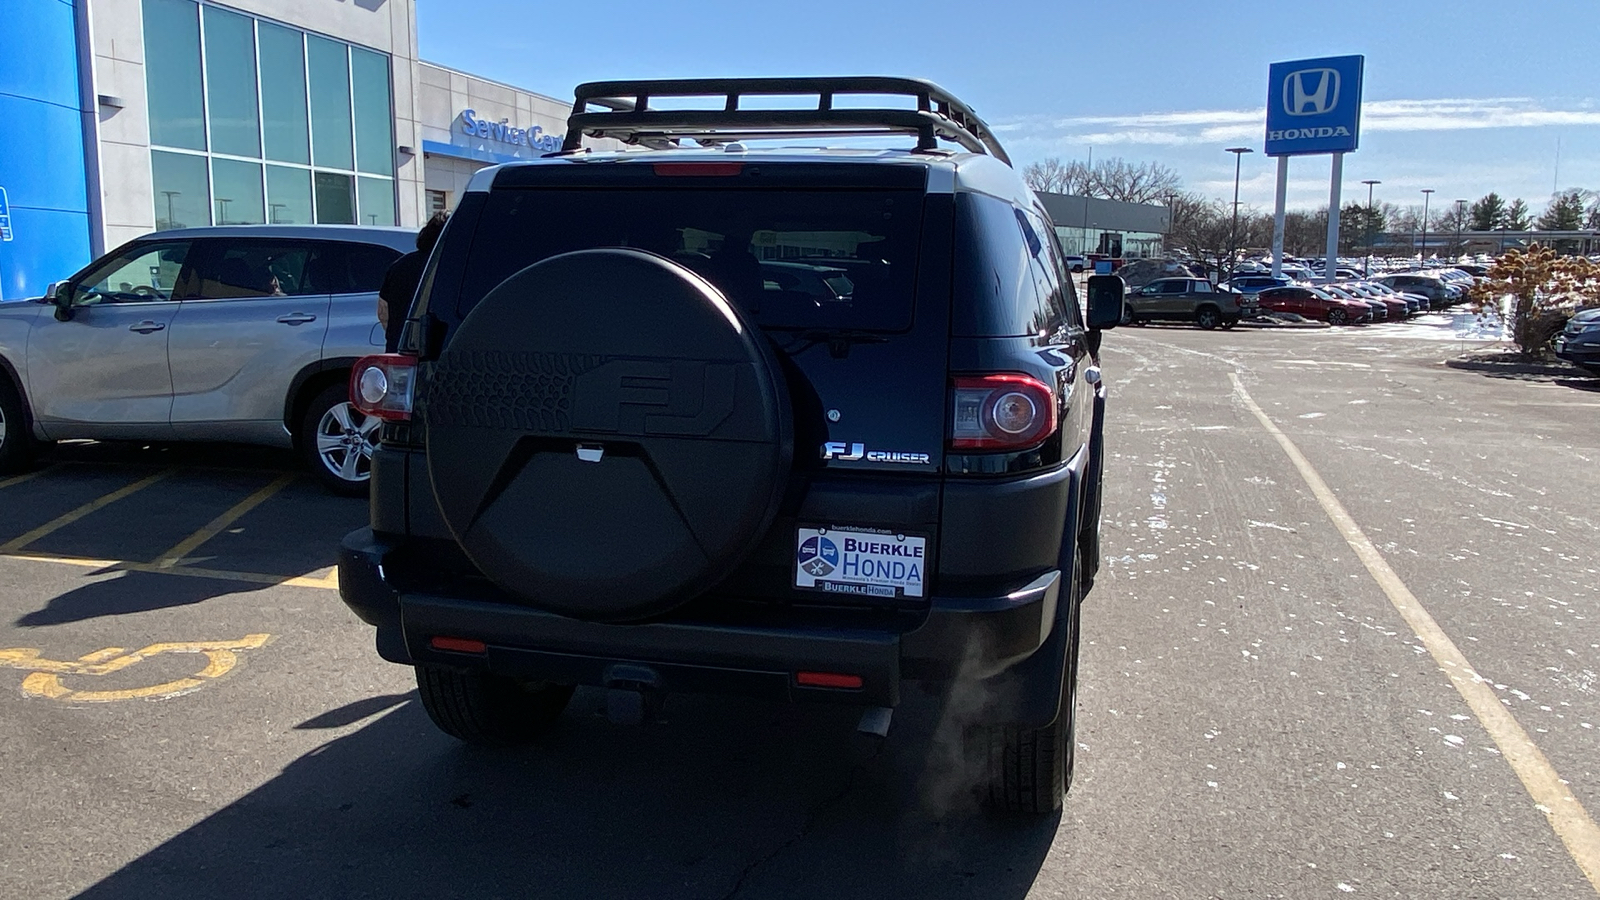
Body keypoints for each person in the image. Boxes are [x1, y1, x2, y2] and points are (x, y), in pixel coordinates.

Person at [378, 212, 448, 352]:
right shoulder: (449, 267)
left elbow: (382, 312)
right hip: (439, 351)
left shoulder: (399, 266)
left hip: (399, 350)